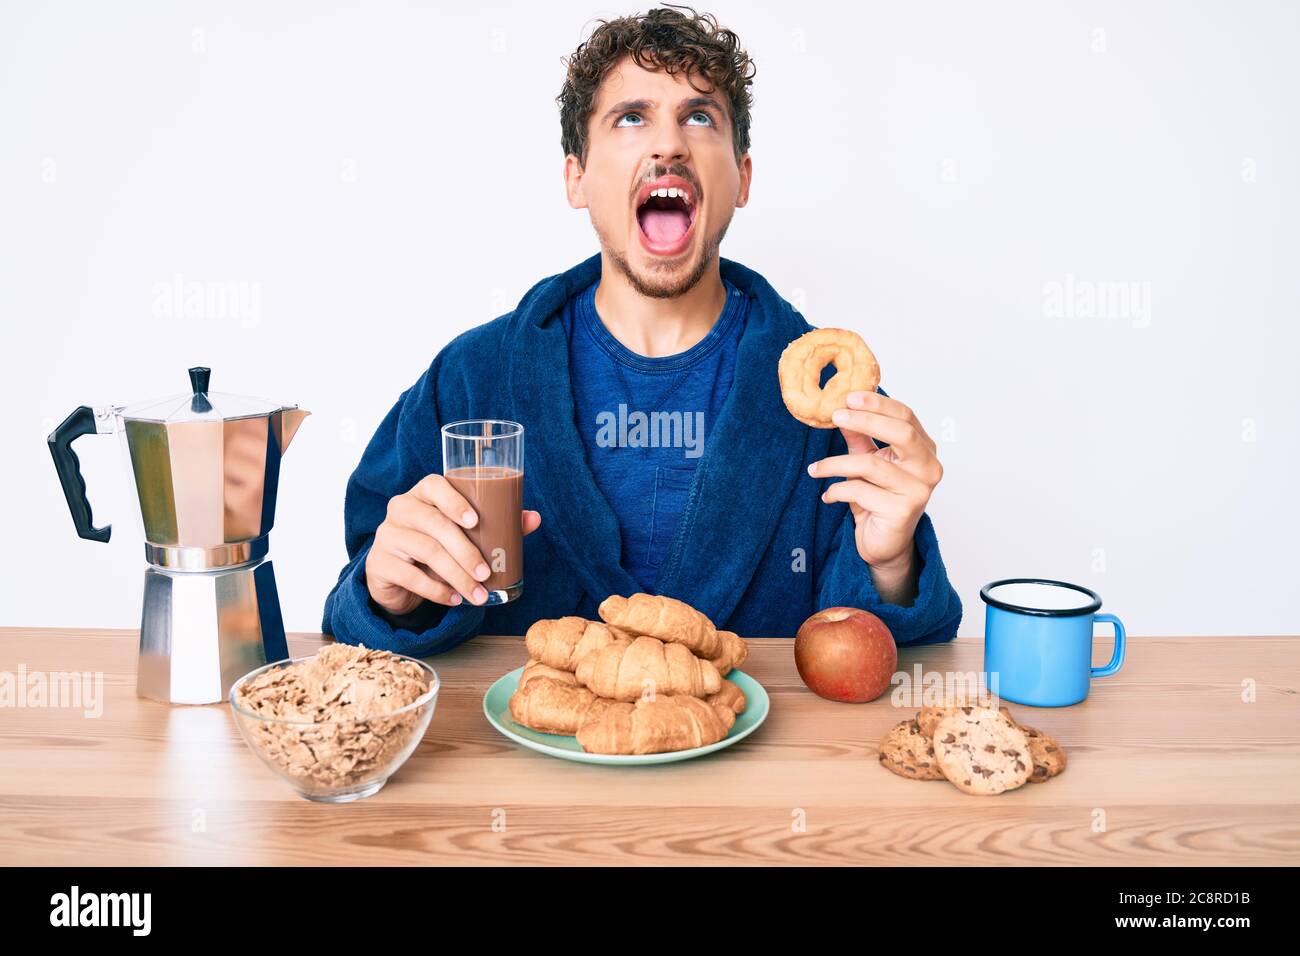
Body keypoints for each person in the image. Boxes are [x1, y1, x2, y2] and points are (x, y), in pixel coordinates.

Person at [323, 6, 961, 654]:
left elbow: (869, 659)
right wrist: (387, 591)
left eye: (699, 117)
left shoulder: (830, 404)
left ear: (741, 178)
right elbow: (358, 613)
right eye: (632, 118)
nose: (668, 145)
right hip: (512, 753)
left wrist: (891, 564)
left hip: (760, 753)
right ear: (577, 178)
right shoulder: (472, 379)